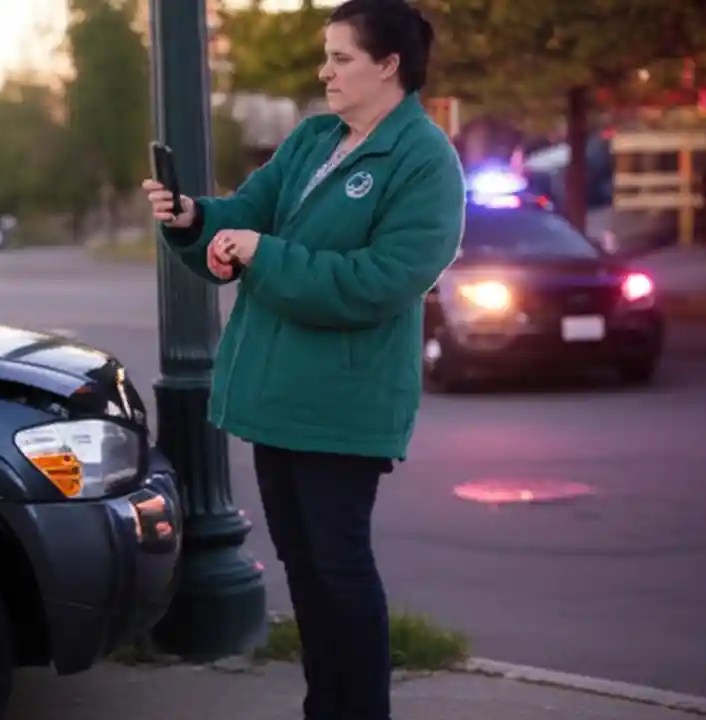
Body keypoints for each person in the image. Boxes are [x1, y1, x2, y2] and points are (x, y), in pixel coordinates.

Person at [141, 1, 465, 718]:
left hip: (343, 407)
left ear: (389, 65)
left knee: (340, 570)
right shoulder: (316, 138)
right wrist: (195, 219)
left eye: (341, 57)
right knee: (307, 572)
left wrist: (264, 253)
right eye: (327, 55)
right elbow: (246, 212)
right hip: (276, 399)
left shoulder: (425, 161)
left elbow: (378, 284)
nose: (326, 71)